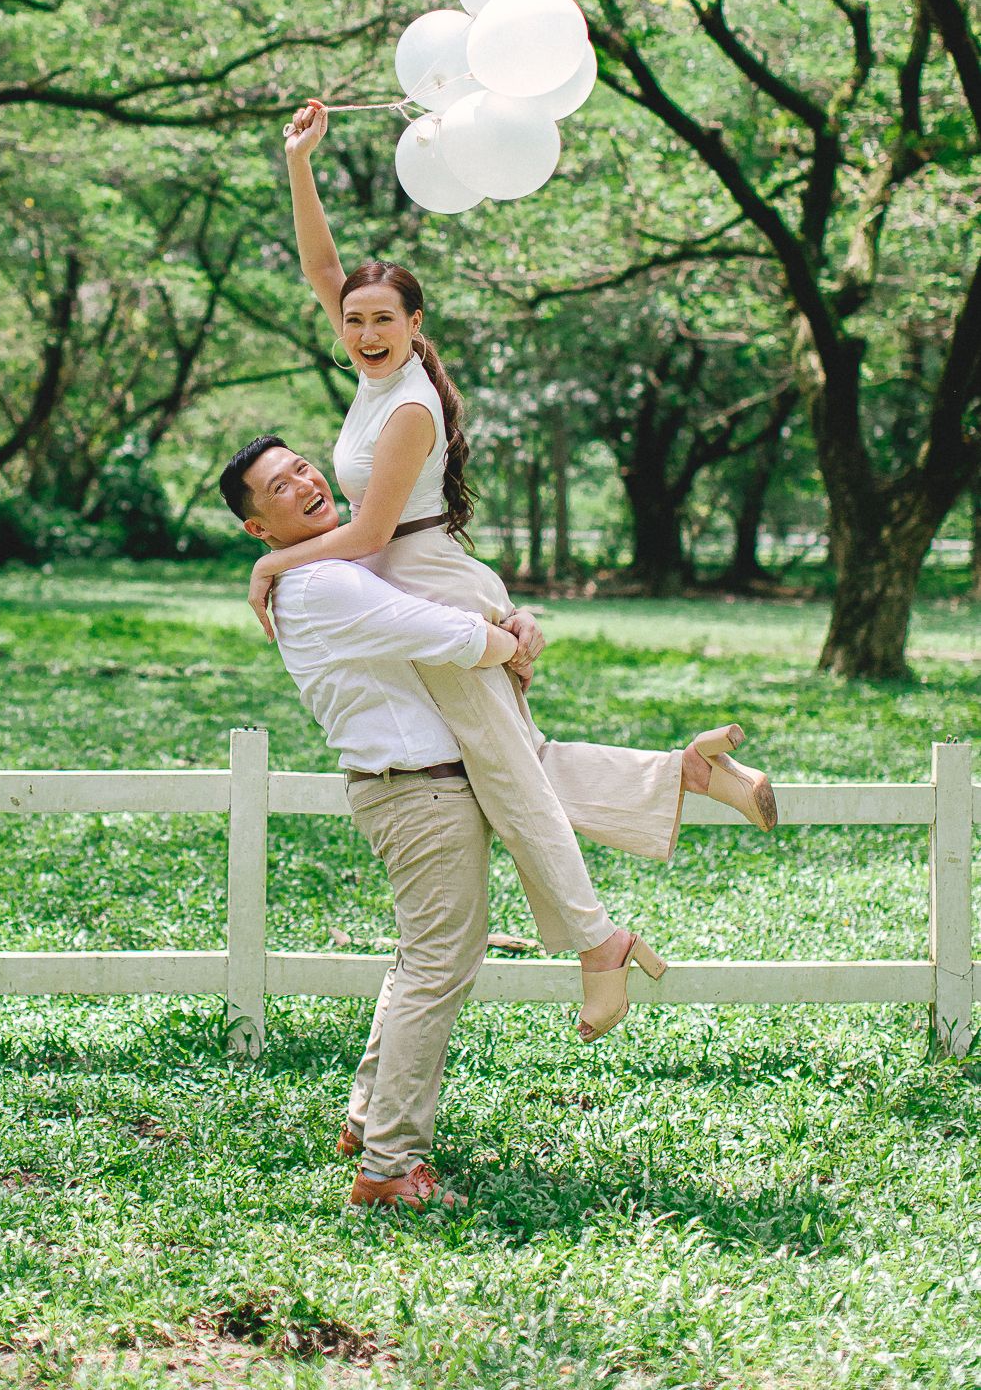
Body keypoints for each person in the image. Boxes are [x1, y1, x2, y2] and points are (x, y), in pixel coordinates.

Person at [243, 100, 778, 1043]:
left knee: (508, 780)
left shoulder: (409, 407)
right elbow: (321, 269)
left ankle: (597, 944)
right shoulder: (374, 373)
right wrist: (298, 162)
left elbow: (370, 532)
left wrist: (275, 561)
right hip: (423, 577)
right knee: (520, 763)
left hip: (424, 578)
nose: (362, 330)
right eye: (353, 320)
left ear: (414, 323)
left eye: (381, 319)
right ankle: (690, 774)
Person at [219, 432, 552, 1208]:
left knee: (423, 959)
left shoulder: (327, 570)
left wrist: (516, 619)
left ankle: (367, 1120)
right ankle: (389, 1167)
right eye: (279, 487)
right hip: (417, 794)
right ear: (258, 527)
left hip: (416, 789)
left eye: (302, 467)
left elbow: (448, 600)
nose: (304, 483)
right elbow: (451, 635)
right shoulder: (321, 585)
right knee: (437, 968)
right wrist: (506, 640)